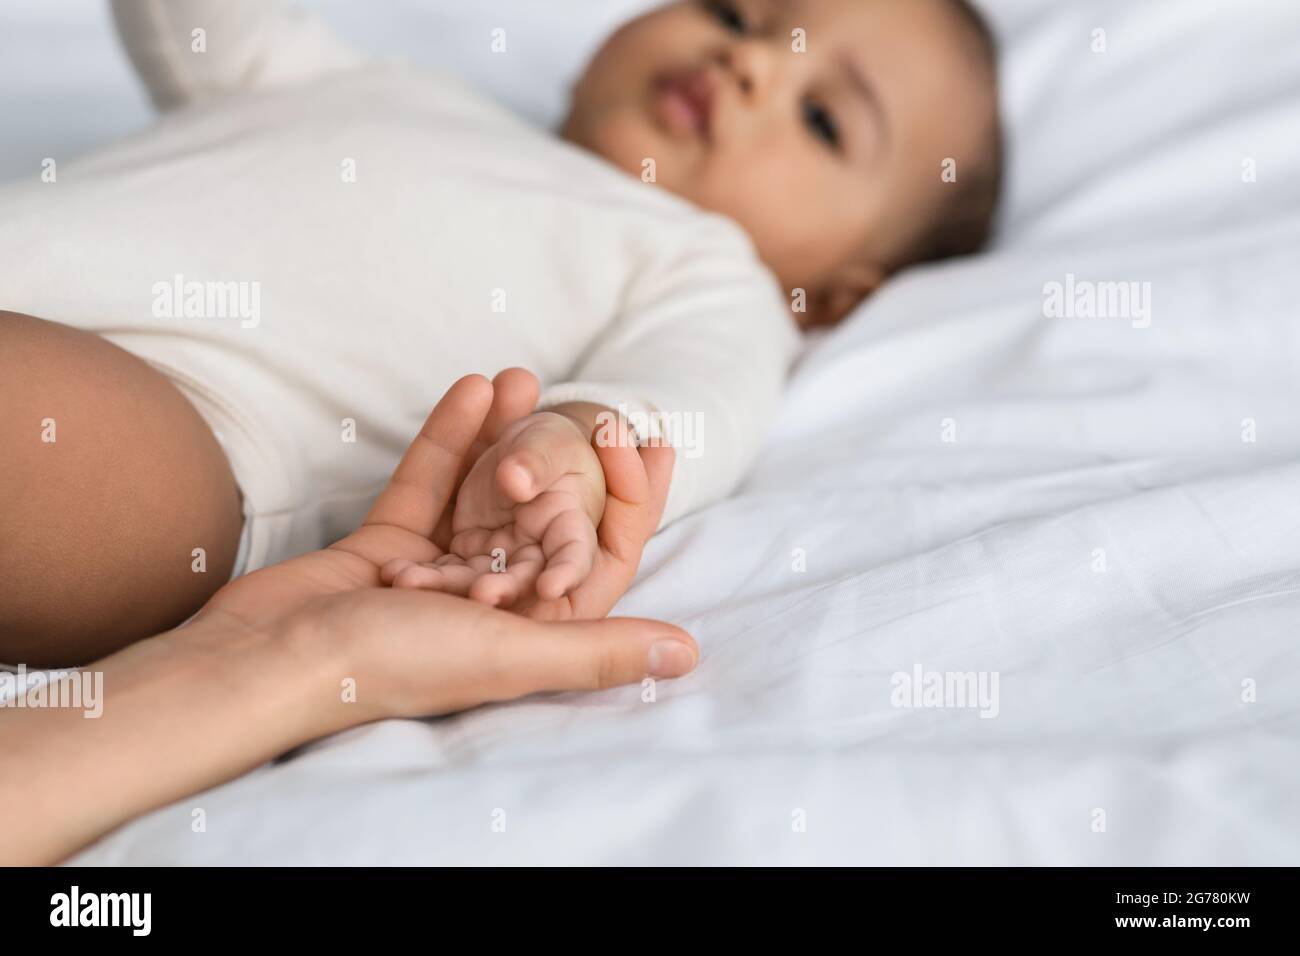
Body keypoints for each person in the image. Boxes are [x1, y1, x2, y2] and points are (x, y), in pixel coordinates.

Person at [0, 0, 1002, 664]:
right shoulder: (400, 89)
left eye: (823, 117)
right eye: (737, 10)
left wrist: (570, 448)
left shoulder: (708, 270)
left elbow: (691, 407)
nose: (748, 62)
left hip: (188, 439)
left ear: (830, 297)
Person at [0, 370, 699, 866]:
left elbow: (685, 389)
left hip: (188, 418)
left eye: (810, 147)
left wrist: (569, 443)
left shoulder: (695, 251)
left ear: (817, 296)